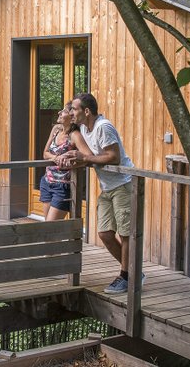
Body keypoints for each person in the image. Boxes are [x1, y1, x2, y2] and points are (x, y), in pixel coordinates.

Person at [61, 92, 138, 294]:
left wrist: (85, 158)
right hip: (107, 187)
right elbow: (89, 155)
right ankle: (133, 271)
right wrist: (75, 157)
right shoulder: (86, 129)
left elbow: (113, 157)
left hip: (123, 184)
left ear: (87, 111)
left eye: (75, 109)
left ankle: (126, 276)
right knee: (104, 233)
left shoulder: (104, 127)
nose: (71, 112)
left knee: (126, 233)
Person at [39, 102, 85, 221]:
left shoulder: (75, 135)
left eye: (63, 111)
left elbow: (87, 156)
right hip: (47, 181)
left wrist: (73, 160)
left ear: (71, 117)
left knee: (51, 226)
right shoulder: (56, 129)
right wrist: (55, 158)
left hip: (62, 185)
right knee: (47, 226)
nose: (59, 112)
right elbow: (45, 153)